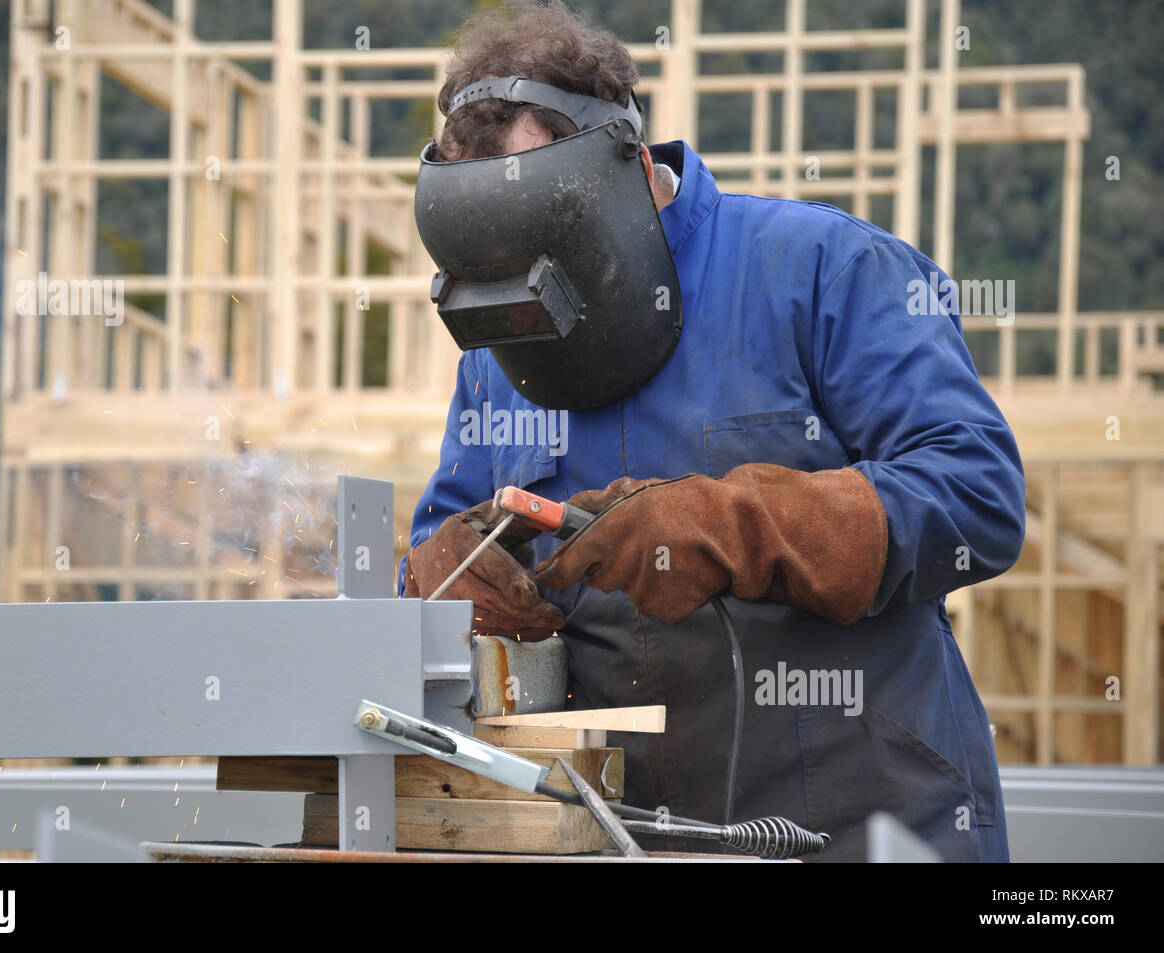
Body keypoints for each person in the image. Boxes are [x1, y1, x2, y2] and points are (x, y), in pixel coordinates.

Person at [399, 0, 1024, 862]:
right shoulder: (500, 349)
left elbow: (978, 497)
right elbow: (445, 539)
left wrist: (738, 526)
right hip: (629, 833)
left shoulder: (820, 270)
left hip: (866, 820)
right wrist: (438, 580)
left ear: (623, 171)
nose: (524, 300)